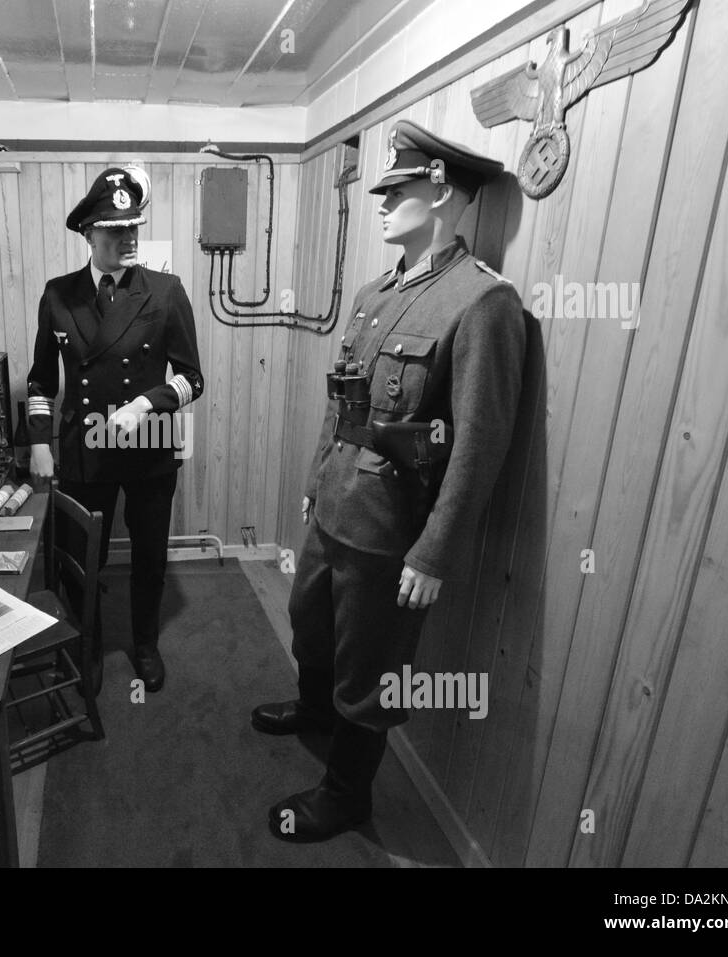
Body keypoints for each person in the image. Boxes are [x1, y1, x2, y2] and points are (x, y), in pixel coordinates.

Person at [253, 120, 527, 842]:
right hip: (335, 504)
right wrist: (316, 477)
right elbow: (344, 400)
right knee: (309, 626)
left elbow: (480, 444)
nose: (380, 203)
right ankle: (314, 711)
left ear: (439, 190)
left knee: (370, 672)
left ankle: (347, 794)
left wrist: (435, 551)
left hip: (390, 526)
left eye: (396, 189)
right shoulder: (376, 293)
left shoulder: (480, 302)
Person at [27, 166, 203, 693]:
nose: (128, 239)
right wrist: (39, 442)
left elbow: (193, 379)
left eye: (133, 228)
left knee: (150, 555)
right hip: (86, 449)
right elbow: (40, 379)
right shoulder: (59, 296)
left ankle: (145, 643)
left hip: (148, 446)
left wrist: (147, 404)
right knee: (86, 557)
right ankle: (90, 645)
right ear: (89, 235)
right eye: (114, 230)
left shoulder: (166, 292)